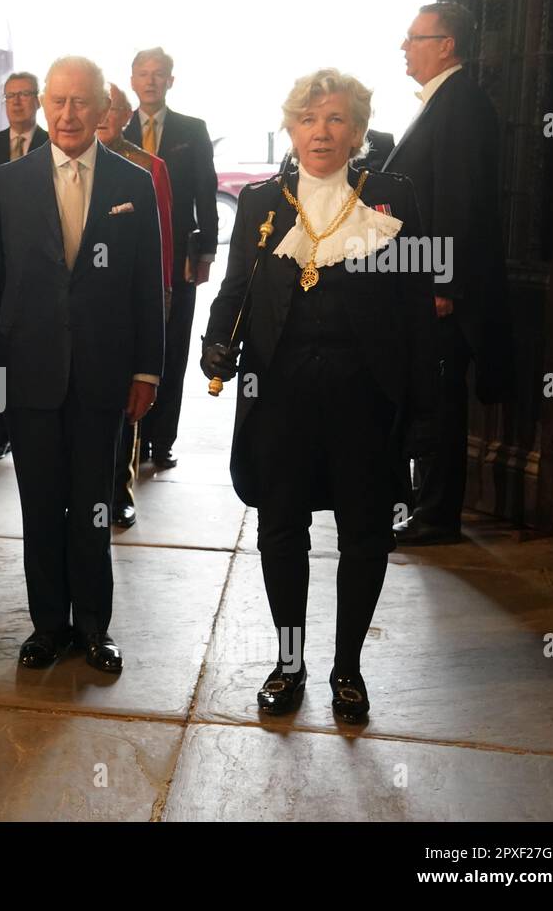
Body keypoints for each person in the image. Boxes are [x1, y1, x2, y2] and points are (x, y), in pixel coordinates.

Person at [201, 69, 438, 723]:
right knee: (281, 530)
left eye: (336, 119)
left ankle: (348, 669)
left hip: (364, 395)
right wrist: (214, 343)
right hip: (280, 393)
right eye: (309, 119)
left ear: (358, 131)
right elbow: (236, 290)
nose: (321, 131)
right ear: (292, 127)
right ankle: (289, 662)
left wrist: (422, 414)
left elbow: (418, 314)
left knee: (365, 534)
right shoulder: (262, 202)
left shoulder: (393, 199)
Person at [0, 56, 164, 674]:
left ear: (104, 110)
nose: (66, 114)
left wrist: (147, 370)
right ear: (43, 104)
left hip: (102, 375)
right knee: (40, 505)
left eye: (80, 102)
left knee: (92, 506)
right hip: (30, 372)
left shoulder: (133, 186)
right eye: (57, 101)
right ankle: (47, 626)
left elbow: (147, 288)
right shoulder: (7, 181)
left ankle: (93, 627)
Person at [386, 1, 515, 545]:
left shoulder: (460, 105)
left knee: (440, 400)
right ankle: (423, 505)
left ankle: (438, 516)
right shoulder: (443, 102)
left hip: (440, 287)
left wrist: (441, 283)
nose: (405, 47)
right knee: (427, 395)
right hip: (422, 279)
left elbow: (460, 204)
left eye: (416, 38)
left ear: (447, 45)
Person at [125, 47, 218, 471]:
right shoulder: (114, 127)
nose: (150, 81)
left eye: (158, 74)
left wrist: (207, 253)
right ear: (132, 80)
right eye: (143, 74)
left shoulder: (191, 129)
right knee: (132, 348)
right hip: (128, 258)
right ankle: (133, 437)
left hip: (178, 256)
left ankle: (162, 440)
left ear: (170, 81)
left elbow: (206, 194)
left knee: (173, 346)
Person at [96, 83, 174, 528]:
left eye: (114, 107)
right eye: (98, 105)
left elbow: (159, 246)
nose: (105, 114)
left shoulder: (148, 167)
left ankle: (119, 491)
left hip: (126, 307)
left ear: (126, 115)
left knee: (125, 406)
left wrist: (159, 305)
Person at [0, 70, 50, 462]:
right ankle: (0, 429)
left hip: (35, 263)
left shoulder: (51, 143)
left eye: (24, 95)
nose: (17, 102)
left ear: (37, 101)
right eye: (10, 96)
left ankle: (30, 423)